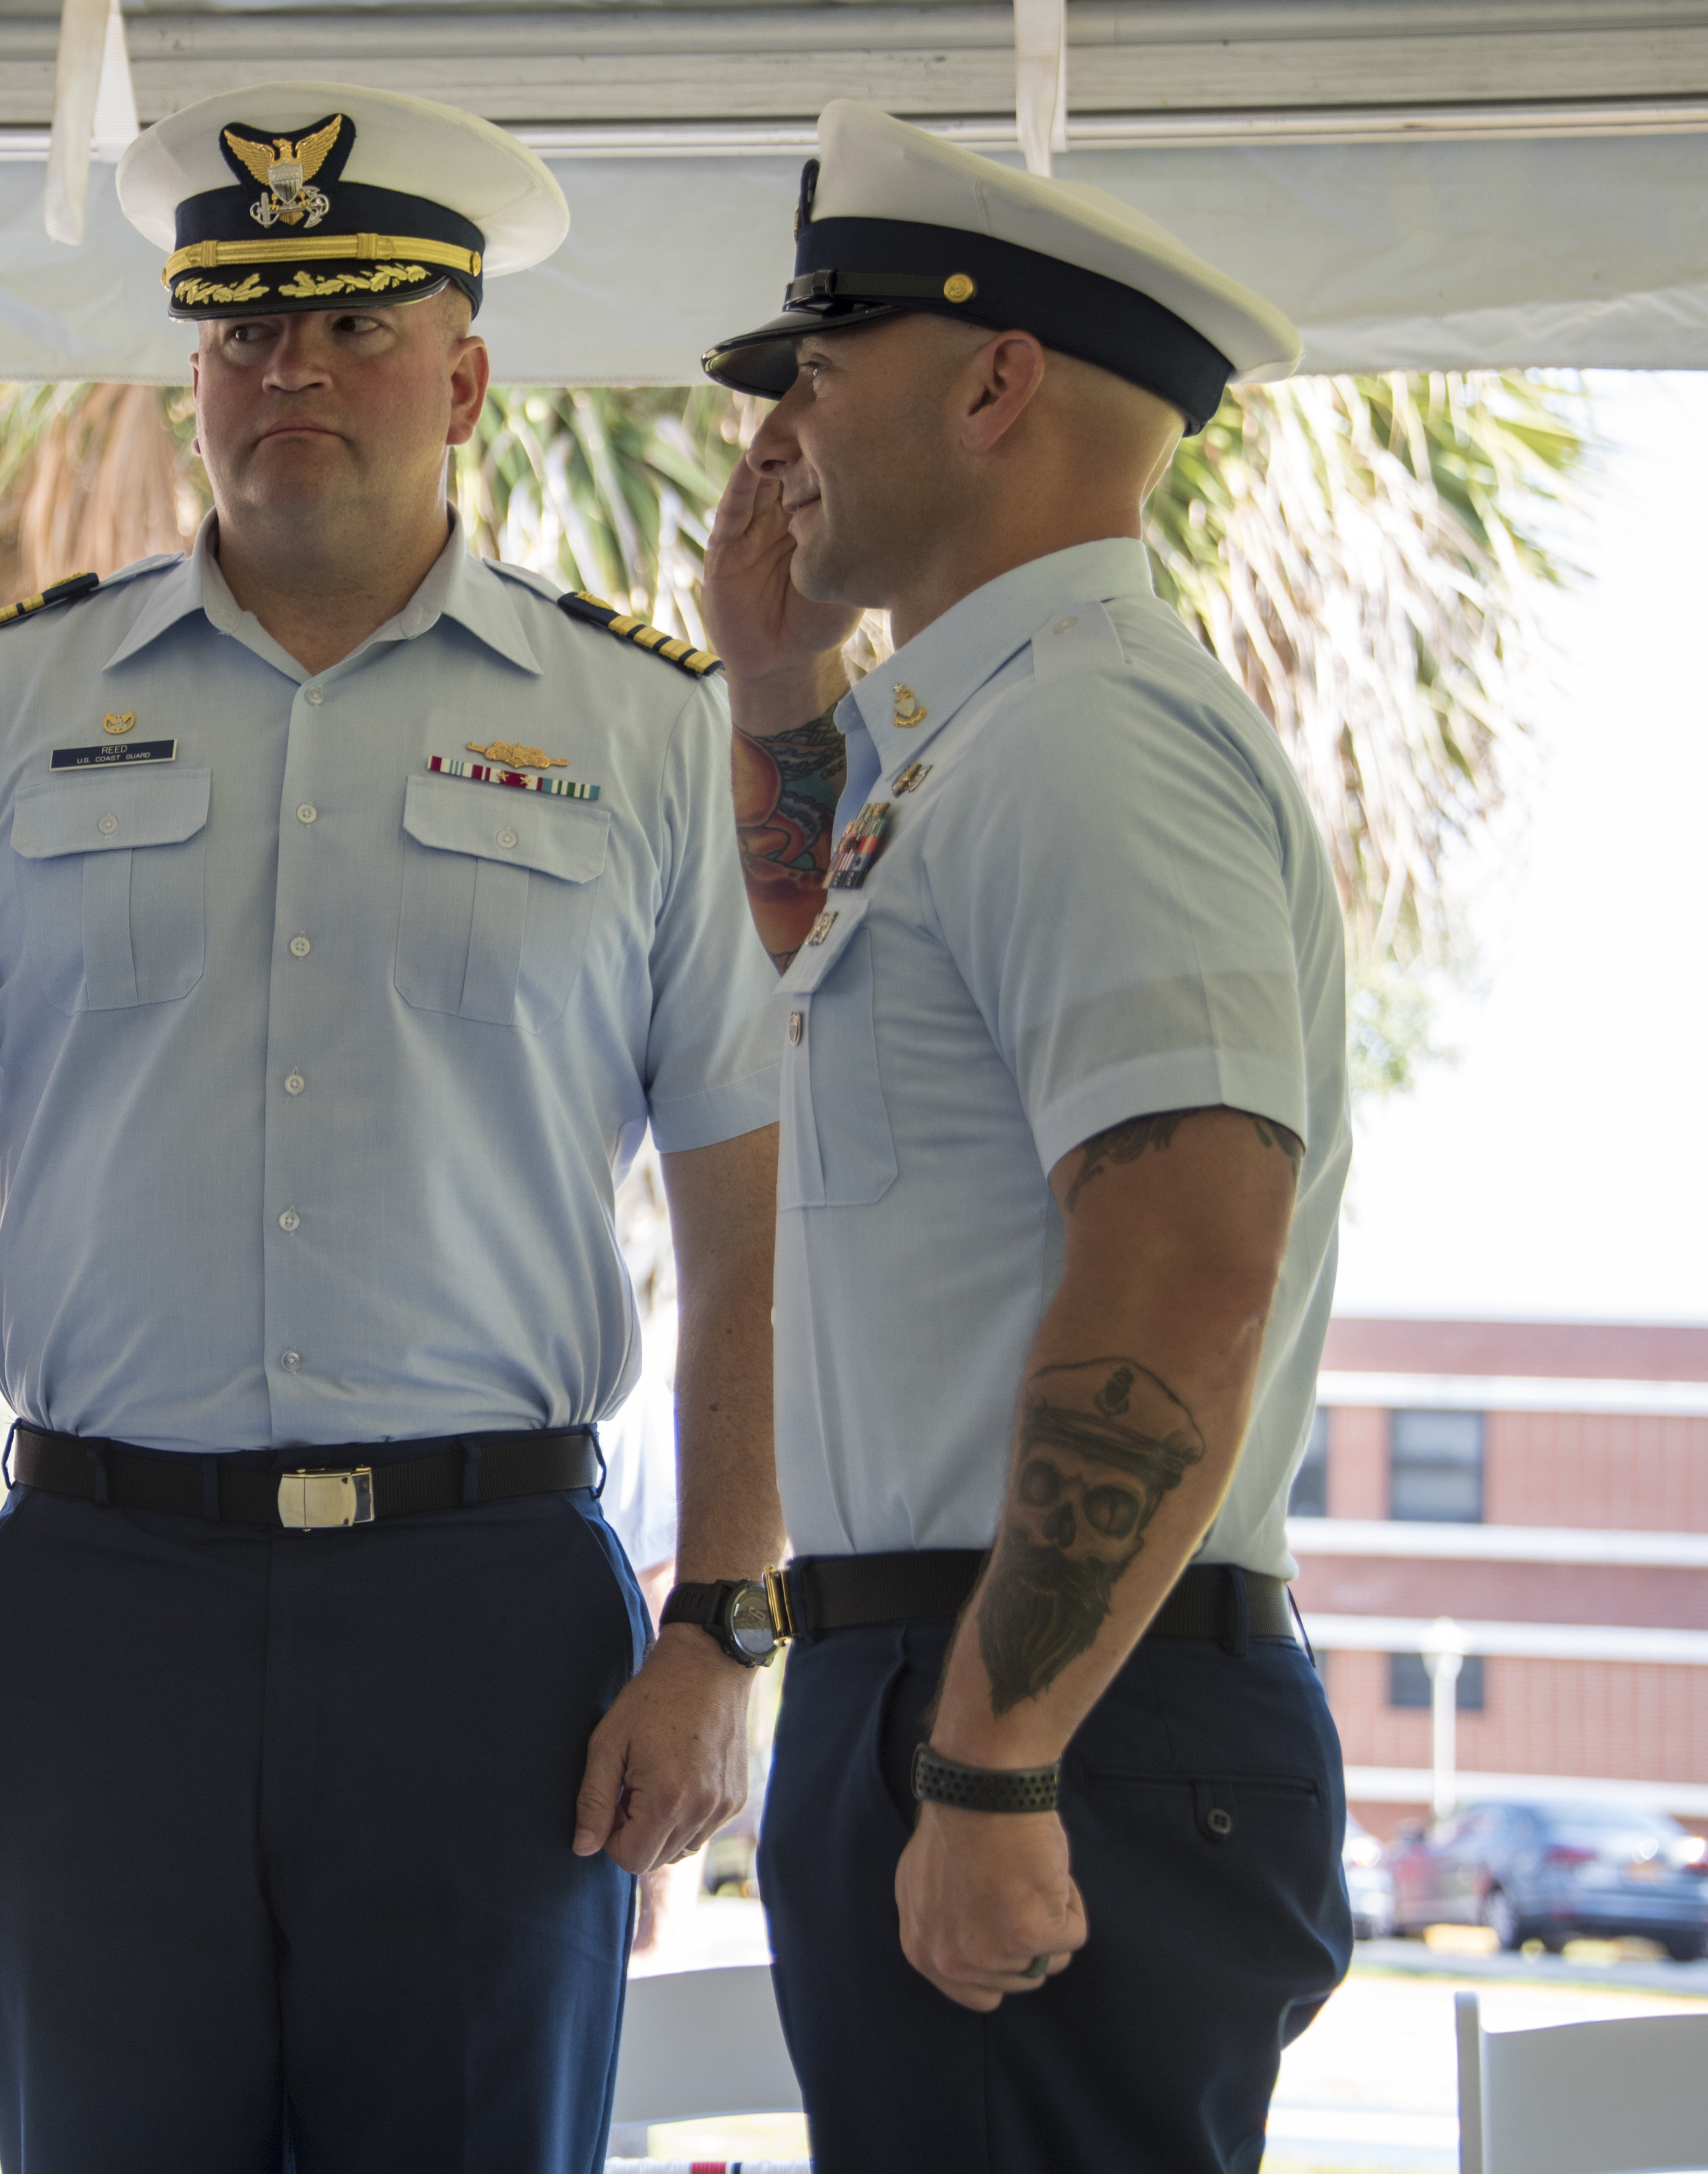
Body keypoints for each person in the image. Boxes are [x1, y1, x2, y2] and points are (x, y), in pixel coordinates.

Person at [0, 80, 786, 2172]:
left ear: (467, 374)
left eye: (350, 323)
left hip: (487, 1613)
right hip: (100, 1600)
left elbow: (747, 1214)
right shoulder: (1, 710)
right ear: (193, 372)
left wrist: (721, 1619)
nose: (292, 370)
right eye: (243, 329)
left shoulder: (642, 730)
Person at [697, 100, 1354, 2172]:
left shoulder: (1087, 736)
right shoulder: (984, 734)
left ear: (993, 382)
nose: (778, 428)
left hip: (1043, 1701)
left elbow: (1180, 1255)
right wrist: (778, 683)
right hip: (969, 1676)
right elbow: (835, 956)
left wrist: (989, 1761)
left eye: (818, 366)